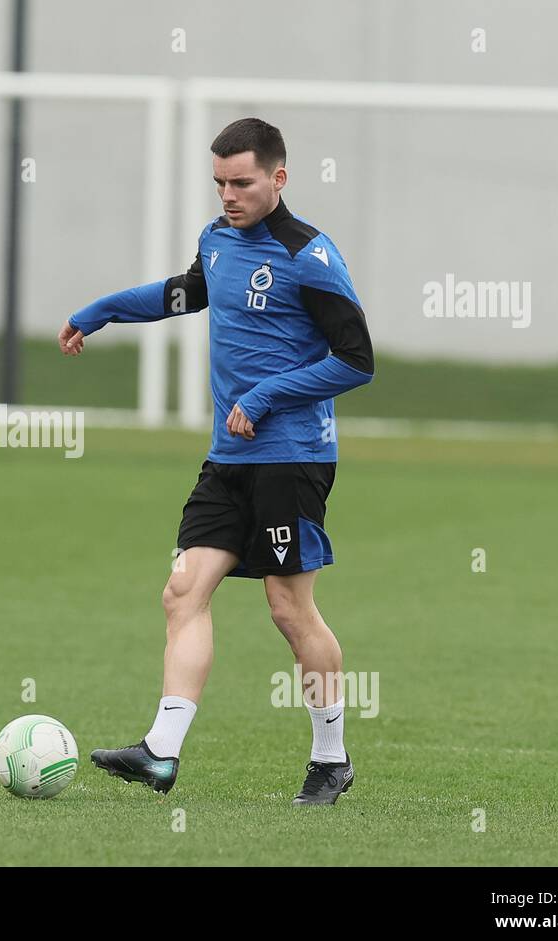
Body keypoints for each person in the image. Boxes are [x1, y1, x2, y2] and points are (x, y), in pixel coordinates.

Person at [59, 118, 374, 805]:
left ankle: (331, 759)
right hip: (228, 457)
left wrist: (265, 395)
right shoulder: (218, 240)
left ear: (278, 178)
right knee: (182, 592)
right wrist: (104, 310)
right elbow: (186, 294)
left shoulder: (309, 256)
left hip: (292, 457)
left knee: (289, 610)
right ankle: (161, 752)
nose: (228, 195)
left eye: (242, 182)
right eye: (220, 183)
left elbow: (356, 360)